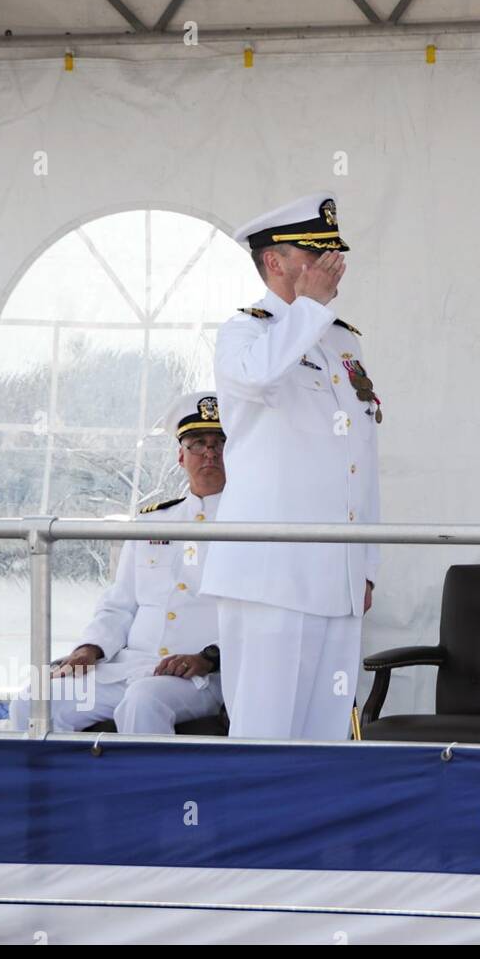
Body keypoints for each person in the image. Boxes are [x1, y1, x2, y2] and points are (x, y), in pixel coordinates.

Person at [200, 193, 381, 740]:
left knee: (327, 737)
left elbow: (360, 459)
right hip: (270, 577)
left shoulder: (342, 340)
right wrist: (307, 309)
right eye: (314, 254)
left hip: (337, 576)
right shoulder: (244, 332)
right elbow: (258, 378)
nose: (331, 266)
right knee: (264, 733)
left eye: (334, 254)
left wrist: (365, 562)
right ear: (274, 262)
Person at [10, 393, 227, 734]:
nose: (210, 453)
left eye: (220, 443)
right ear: (181, 455)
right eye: (198, 443)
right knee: (34, 699)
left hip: (201, 675)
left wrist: (209, 658)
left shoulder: (253, 524)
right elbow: (120, 603)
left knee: (143, 702)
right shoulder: (153, 523)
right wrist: (89, 649)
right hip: (129, 666)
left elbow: (257, 616)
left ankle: (147, 790)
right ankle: (49, 788)